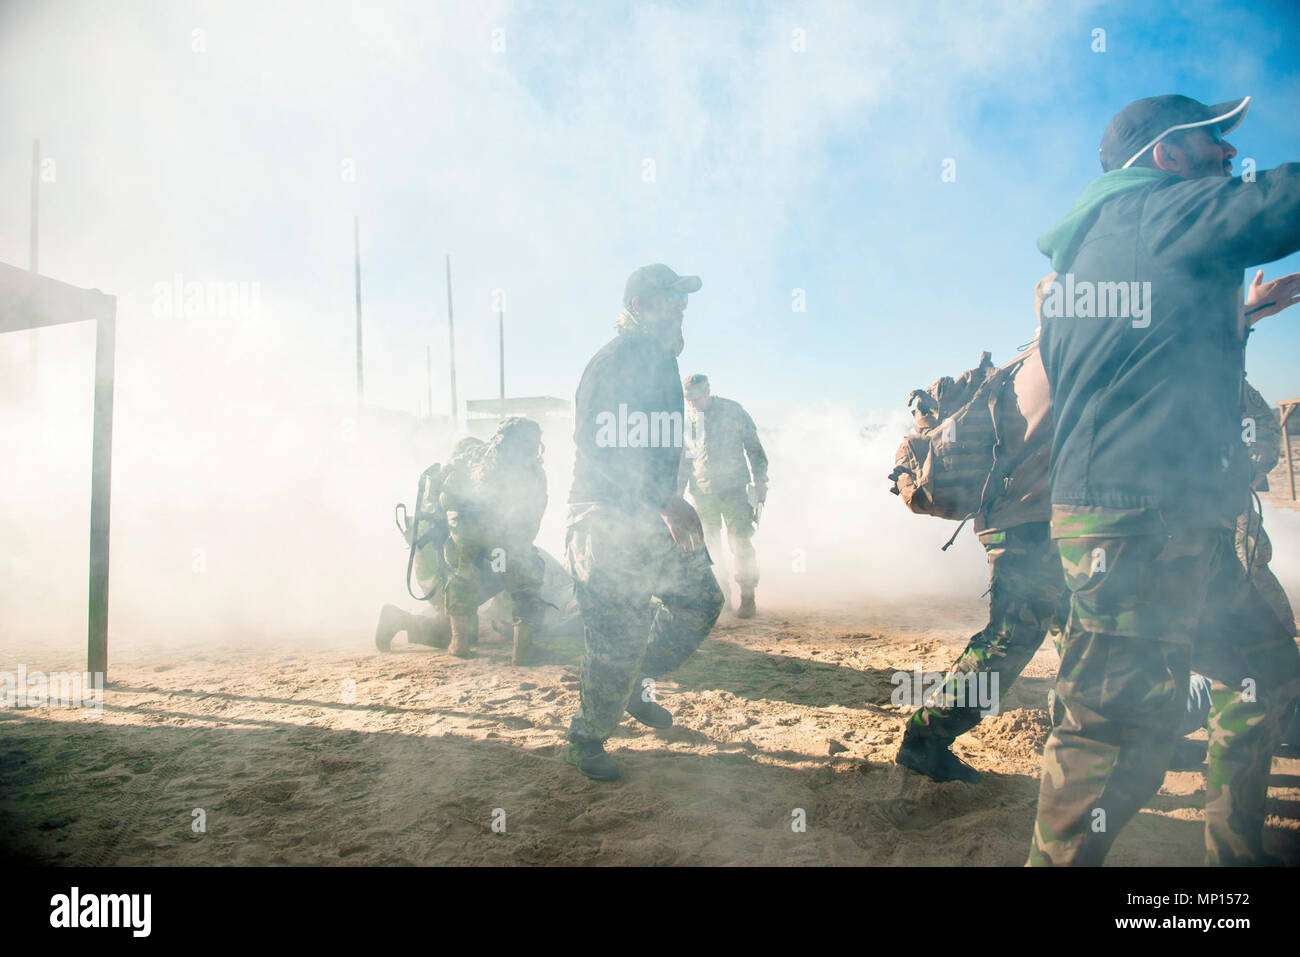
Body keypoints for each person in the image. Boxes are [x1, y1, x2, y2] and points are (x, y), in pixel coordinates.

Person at [1030, 93, 1300, 866]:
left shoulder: (1099, 249)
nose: (1226, 154)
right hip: (1138, 530)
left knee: (1265, 672)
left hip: (1179, 523)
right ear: (1166, 158)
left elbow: (1135, 357)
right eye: (1214, 140)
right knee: (1115, 740)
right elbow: (1283, 202)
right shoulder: (1160, 212)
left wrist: (1238, 319)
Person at [896, 278, 1068, 783]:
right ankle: (925, 740)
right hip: (1028, 526)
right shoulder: (1061, 361)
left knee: (1081, 633)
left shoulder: (1030, 359)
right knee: (1011, 638)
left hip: (1036, 523)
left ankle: (1095, 736)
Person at [564, 264, 725, 781]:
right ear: (639, 307)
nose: (681, 307)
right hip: (602, 518)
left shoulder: (661, 367)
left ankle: (637, 679)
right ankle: (586, 737)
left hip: (652, 513)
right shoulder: (612, 363)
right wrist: (663, 498)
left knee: (701, 599)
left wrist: (669, 499)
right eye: (670, 298)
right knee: (617, 636)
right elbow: (593, 440)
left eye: (683, 299)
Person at [374, 419, 550, 666]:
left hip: (453, 571)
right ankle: (401, 620)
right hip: (439, 580)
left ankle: (461, 643)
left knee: (492, 577)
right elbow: (523, 528)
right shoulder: (522, 473)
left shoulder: (462, 474)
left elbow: (475, 553)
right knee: (523, 573)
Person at [679, 373, 768, 618]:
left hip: (733, 489)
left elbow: (754, 447)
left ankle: (747, 596)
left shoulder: (733, 411)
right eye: (689, 400)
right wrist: (676, 495)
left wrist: (761, 480)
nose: (693, 404)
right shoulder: (688, 422)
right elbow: (684, 461)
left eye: (696, 398)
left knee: (740, 541)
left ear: (707, 392)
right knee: (710, 548)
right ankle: (722, 599)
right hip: (702, 493)